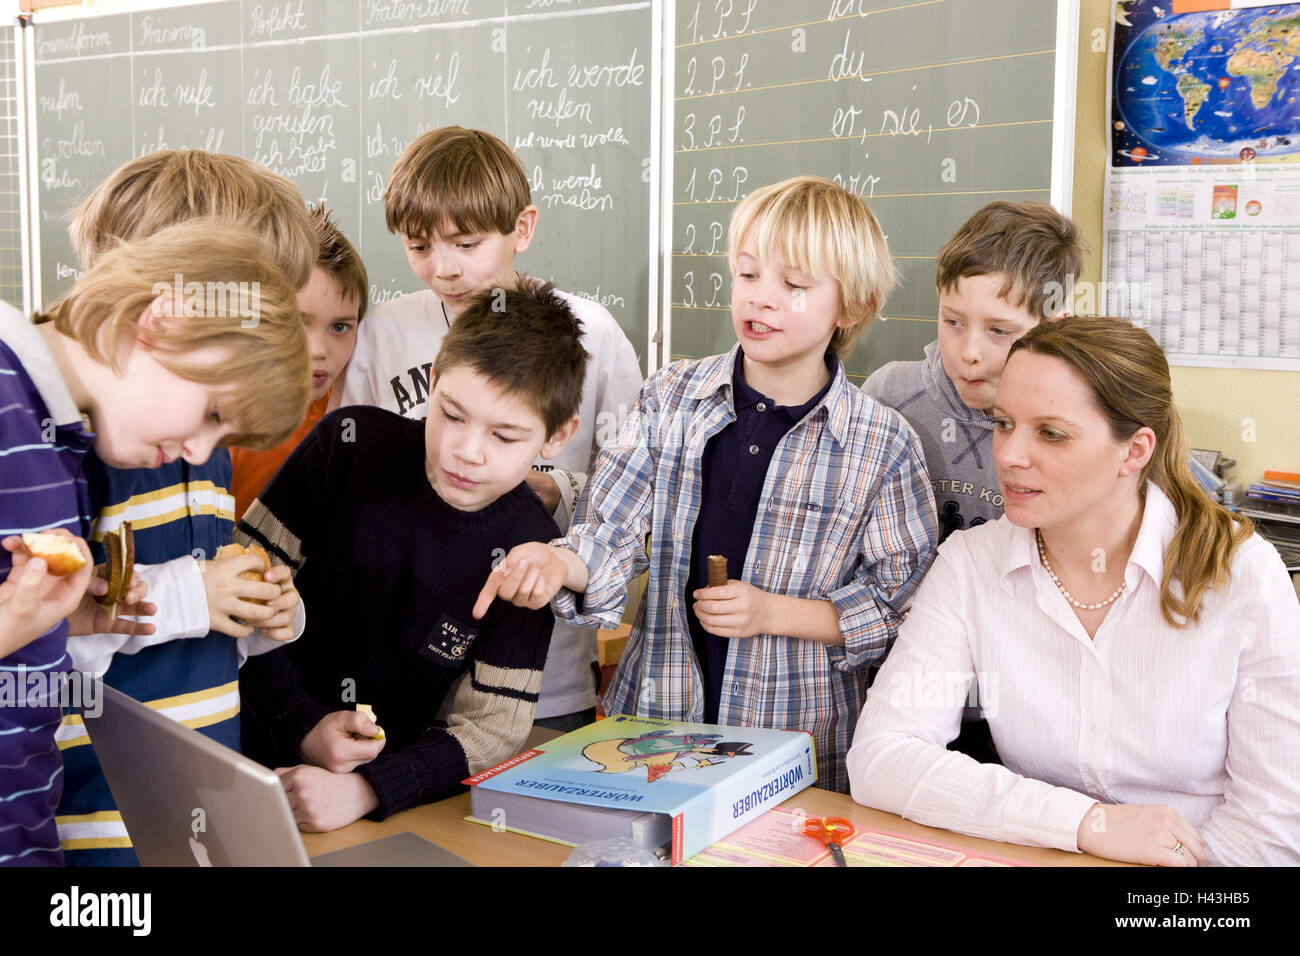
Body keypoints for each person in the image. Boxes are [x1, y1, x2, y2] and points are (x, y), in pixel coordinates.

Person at [476, 176, 939, 792]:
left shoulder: (882, 444)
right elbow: (611, 530)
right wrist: (562, 566)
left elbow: (898, 608)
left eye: (794, 285)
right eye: (747, 275)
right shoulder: (671, 398)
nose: (761, 299)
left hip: (797, 753)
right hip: (653, 734)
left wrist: (775, 613)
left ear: (851, 307)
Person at [847, 316, 1300, 866]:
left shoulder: (1243, 575)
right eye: (1004, 423)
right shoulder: (971, 563)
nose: (1010, 455)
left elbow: (1272, 828)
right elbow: (882, 757)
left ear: (1134, 452)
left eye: (1051, 433)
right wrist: (1085, 823)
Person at [0, 220, 307, 865]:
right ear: (162, 320)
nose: (197, 451)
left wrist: (63, 626)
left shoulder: (63, 450)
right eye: (213, 414)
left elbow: (31, 690)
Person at [237, 281, 585, 831]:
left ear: (556, 436)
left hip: (363, 807)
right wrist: (301, 722)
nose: (466, 452)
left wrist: (364, 791)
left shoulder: (530, 551)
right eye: (451, 414)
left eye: (504, 436)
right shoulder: (346, 447)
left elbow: (492, 728)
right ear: (431, 382)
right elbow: (240, 592)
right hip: (232, 751)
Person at [336, 125, 643, 730]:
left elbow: (638, 498)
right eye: (418, 246)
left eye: (467, 243)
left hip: (543, 678)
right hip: (400, 673)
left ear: (522, 229)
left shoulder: (592, 334)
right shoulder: (383, 332)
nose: (443, 269)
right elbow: (354, 478)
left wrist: (560, 489)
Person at [864, 201, 1083, 540]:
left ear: (1054, 327)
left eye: (999, 331)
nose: (969, 353)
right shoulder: (888, 397)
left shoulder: (1082, 421)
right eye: (953, 322)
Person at [230, 204, 367, 519]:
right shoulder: (223, 427)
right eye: (297, 323)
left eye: (340, 327)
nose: (319, 350)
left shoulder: (356, 410)